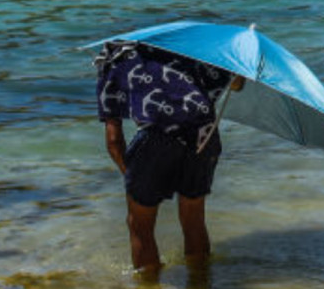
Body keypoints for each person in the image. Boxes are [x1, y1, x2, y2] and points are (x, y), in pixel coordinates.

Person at [97, 39, 245, 275]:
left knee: (140, 226)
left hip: (155, 137)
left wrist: (136, 180)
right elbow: (236, 81)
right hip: (204, 136)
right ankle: (199, 288)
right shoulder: (189, 53)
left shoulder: (115, 63)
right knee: (193, 219)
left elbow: (114, 140)